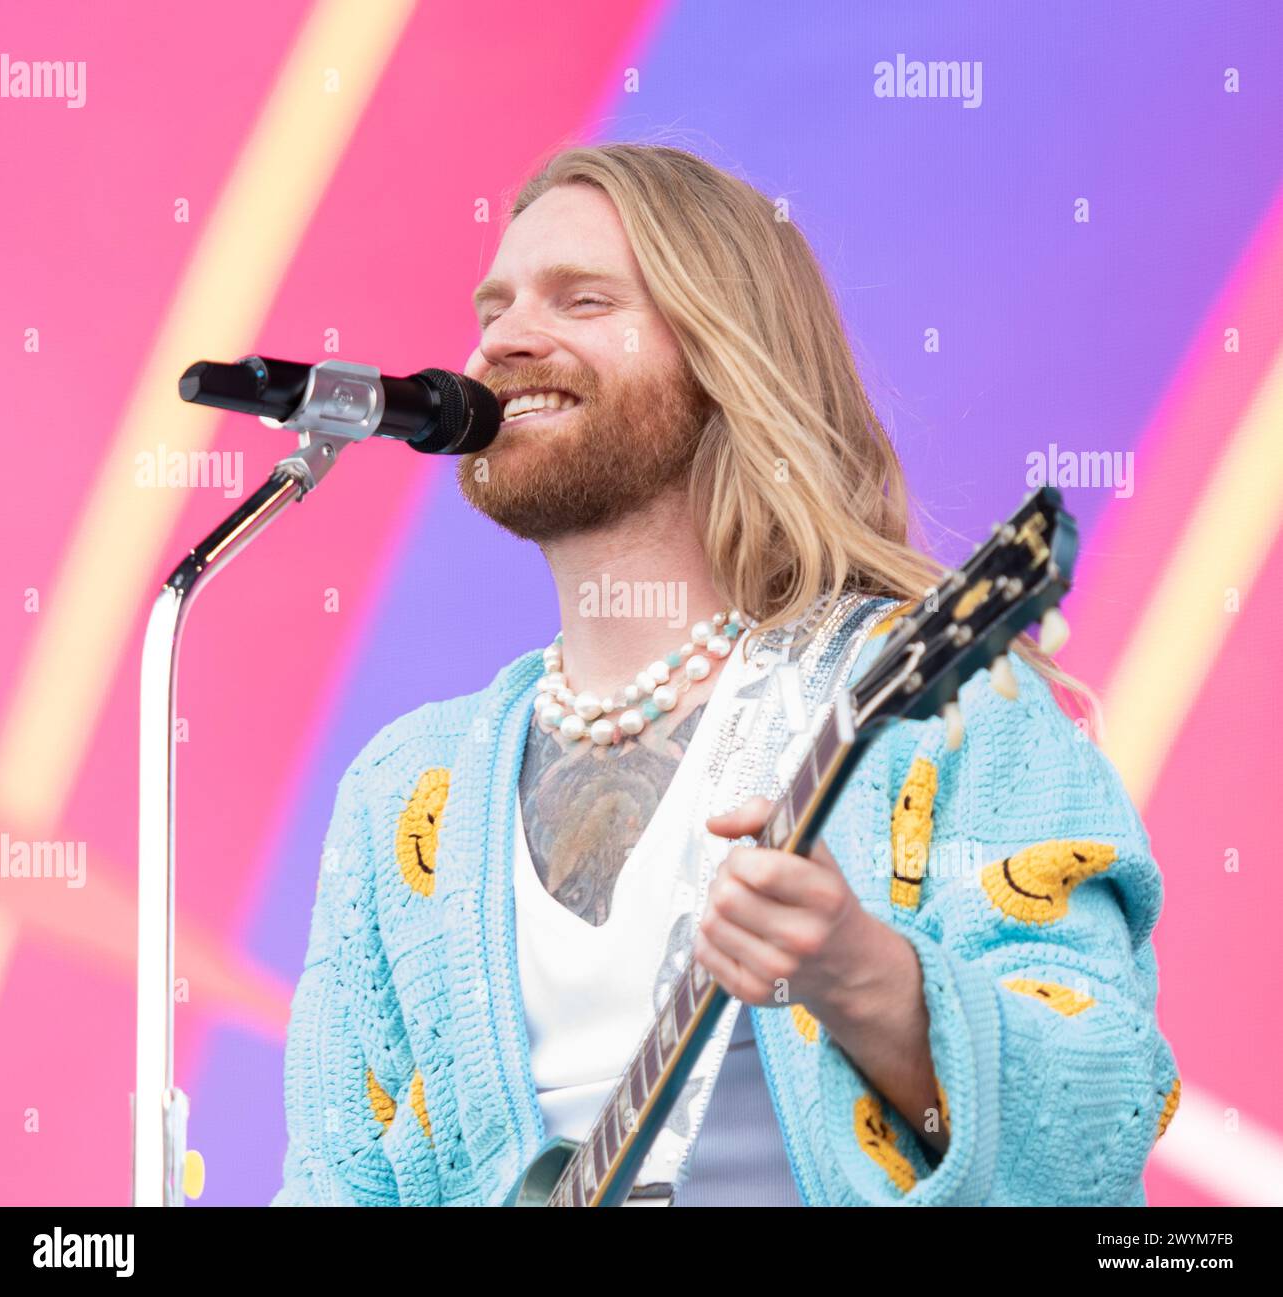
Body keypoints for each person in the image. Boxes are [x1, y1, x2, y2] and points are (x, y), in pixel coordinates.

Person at [272, 143, 1179, 1207]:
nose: (505, 340)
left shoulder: (939, 700)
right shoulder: (402, 791)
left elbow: (1097, 1118)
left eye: (584, 298)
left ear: (723, 355)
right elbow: (338, 1185)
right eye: (495, 307)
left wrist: (863, 978)